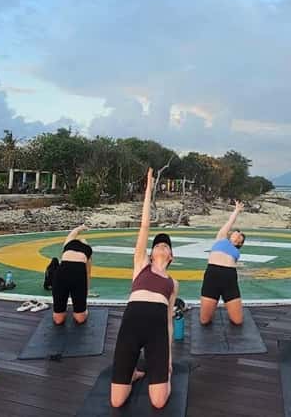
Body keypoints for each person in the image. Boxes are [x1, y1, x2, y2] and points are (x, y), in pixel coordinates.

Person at [110, 168, 179, 410]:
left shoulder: (173, 282)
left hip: (157, 333)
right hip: (131, 327)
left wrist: (169, 358)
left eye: (165, 246)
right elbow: (144, 226)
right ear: (150, 253)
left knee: (159, 402)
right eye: (157, 245)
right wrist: (149, 187)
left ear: (171, 256)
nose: (161, 246)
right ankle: (134, 373)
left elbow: (169, 321)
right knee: (117, 401)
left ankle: (159, 371)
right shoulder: (141, 265)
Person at [199, 201, 246, 326]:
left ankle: (227, 306)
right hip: (212, 275)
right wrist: (236, 210)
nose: (237, 235)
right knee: (204, 320)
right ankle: (213, 305)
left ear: (240, 243)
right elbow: (229, 223)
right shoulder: (221, 238)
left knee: (238, 321)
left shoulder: (236, 252)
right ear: (230, 235)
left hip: (229, 278)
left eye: (240, 236)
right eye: (236, 233)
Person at [52, 224, 92, 325]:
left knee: (65, 319)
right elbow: (87, 273)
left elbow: (74, 232)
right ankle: (77, 310)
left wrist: (81, 228)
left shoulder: (70, 244)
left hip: (67, 273)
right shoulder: (85, 249)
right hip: (70, 274)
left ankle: (71, 310)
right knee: (61, 319)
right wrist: (86, 291)